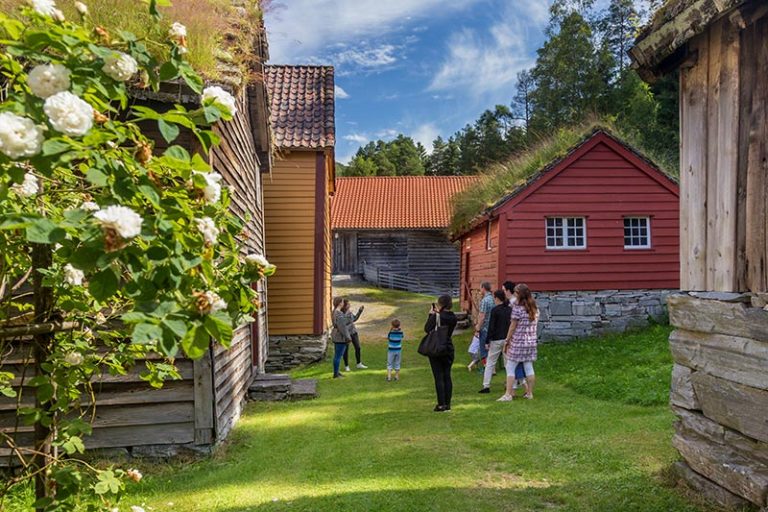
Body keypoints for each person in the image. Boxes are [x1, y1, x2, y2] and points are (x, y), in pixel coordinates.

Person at [498, 284, 539, 402]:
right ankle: (529, 393)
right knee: (528, 367)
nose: (514, 295)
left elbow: (512, 326)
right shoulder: (534, 308)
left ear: (520, 295)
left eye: (516, 293)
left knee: (510, 367)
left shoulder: (517, 308)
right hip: (530, 342)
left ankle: (508, 394)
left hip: (518, 341)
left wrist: (507, 340)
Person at [425, 295, 458, 412]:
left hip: (437, 347)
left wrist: (431, 315)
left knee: (438, 376)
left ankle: (441, 404)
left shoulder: (437, 316)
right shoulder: (453, 317)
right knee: (447, 375)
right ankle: (448, 404)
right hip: (448, 347)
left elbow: (427, 328)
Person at [478, 290, 511, 394]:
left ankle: (486, 385)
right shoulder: (509, 309)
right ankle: (510, 384)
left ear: (496, 298)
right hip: (507, 339)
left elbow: (491, 327)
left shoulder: (495, 310)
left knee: (490, 362)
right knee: (508, 363)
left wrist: (487, 340)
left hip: (496, 339)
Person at [342, 300, 367, 371]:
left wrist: (360, 311)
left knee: (358, 347)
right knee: (346, 350)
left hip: (354, 332)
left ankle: (359, 364)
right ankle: (346, 366)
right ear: (345, 306)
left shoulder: (349, 312)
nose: (349, 305)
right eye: (348, 304)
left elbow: (355, 319)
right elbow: (344, 324)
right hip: (346, 334)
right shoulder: (341, 314)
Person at [330, 297, 352, 379]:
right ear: (339, 303)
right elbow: (342, 327)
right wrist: (348, 337)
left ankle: (337, 372)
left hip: (337, 335)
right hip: (340, 337)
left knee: (337, 355)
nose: (343, 303)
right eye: (342, 302)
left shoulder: (335, 312)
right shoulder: (338, 313)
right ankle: (336, 375)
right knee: (338, 356)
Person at [473, 282, 494, 367]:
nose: (479, 290)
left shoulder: (485, 300)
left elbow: (482, 316)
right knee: (490, 348)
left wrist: (478, 327)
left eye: (480, 288)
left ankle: (488, 368)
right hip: (492, 326)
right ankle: (493, 367)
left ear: (483, 288)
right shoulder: (493, 299)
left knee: (484, 348)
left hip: (485, 327)